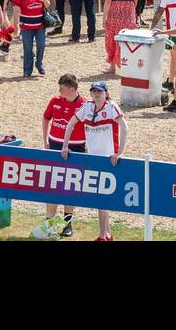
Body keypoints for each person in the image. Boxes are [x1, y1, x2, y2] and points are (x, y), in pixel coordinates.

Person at [61, 81, 127, 242]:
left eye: (100, 91)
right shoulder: (87, 107)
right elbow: (71, 124)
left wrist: (119, 153)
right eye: (94, 91)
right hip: (92, 158)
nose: (96, 94)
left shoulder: (111, 107)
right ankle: (107, 235)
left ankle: (104, 235)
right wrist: (65, 145)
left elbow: (125, 127)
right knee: (100, 197)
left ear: (106, 93)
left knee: (102, 198)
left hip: (108, 159)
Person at [39, 74, 85, 239]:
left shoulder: (84, 105)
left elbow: (91, 127)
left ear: (71, 89)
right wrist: (45, 141)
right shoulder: (55, 101)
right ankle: (49, 222)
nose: (59, 91)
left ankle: (67, 222)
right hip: (55, 146)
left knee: (69, 187)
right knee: (52, 185)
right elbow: (45, 118)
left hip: (76, 148)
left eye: (62, 88)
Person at [9, 0, 51, 78]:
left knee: (41, 44)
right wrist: (16, 26)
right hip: (26, 25)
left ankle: (39, 63)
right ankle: (27, 70)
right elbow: (16, 10)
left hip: (40, 24)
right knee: (28, 48)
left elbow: (48, 5)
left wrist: (43, 0)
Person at [102, 0, 138, 75]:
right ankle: (127, 67)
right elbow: (135, 1)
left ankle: (112, 67)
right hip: (129, 15)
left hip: (115, 15)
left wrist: (104, 17)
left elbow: (108, 1)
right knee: (127, 42)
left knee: (112, 40)